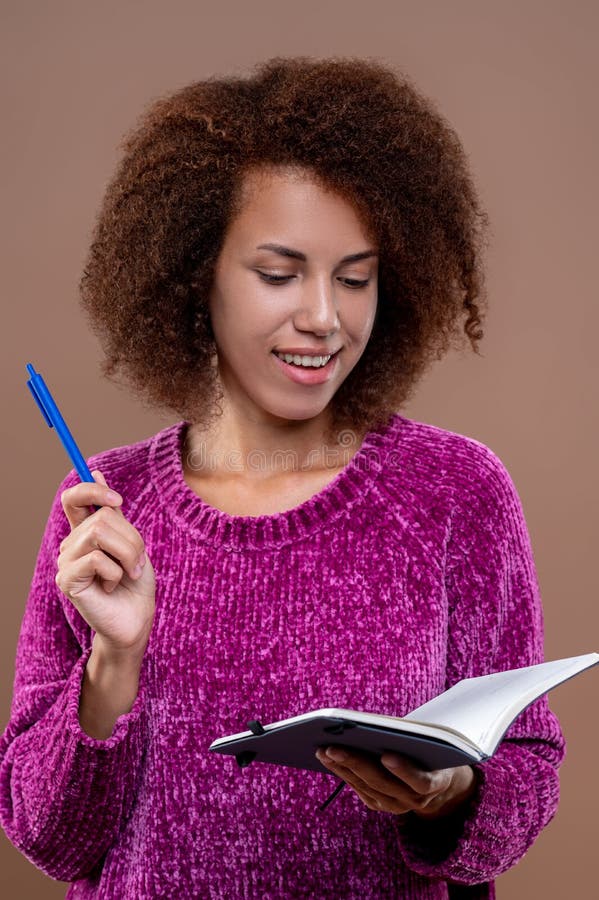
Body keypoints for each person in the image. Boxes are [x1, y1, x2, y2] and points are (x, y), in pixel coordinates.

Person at [0, 55, 565, 899]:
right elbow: (50, 841)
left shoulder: (455, 491)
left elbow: (527, 765)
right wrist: (111, 664)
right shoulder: (106, 514)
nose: (323, 318)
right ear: (198, 277)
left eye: (355, 278)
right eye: (277, 274)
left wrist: (452, 796)